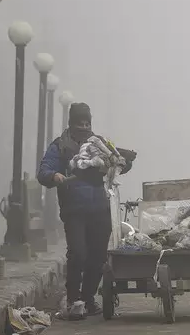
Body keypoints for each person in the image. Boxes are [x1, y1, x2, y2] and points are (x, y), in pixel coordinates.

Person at [37, 102, 133, 319]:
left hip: (100, 208)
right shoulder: (59, 146)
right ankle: (73, 301)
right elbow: (44, 171)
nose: (83, 126)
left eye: (87, 122)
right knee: (78, 254)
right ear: (71, 123)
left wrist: (123, 162)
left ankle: (88, 299)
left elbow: (115, 163)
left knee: (97, 257)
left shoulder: (98, 144)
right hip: (74, 210)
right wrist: (54, 176)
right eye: (79, 122)